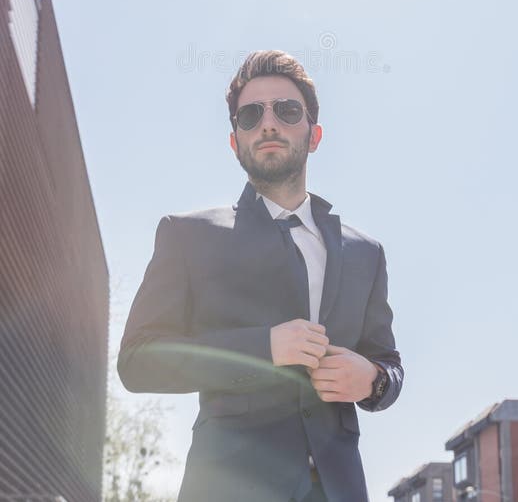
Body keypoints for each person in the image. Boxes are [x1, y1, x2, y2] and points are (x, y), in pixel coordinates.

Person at [118, 50, 403, 502]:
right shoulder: (187, 237)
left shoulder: (366, 253)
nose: (268, 124)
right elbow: (138, 361)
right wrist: (265, 348)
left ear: (314, 135)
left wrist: (374, 380)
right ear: (235, 142)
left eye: (287, 111)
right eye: (251, 115)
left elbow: (388, 362)